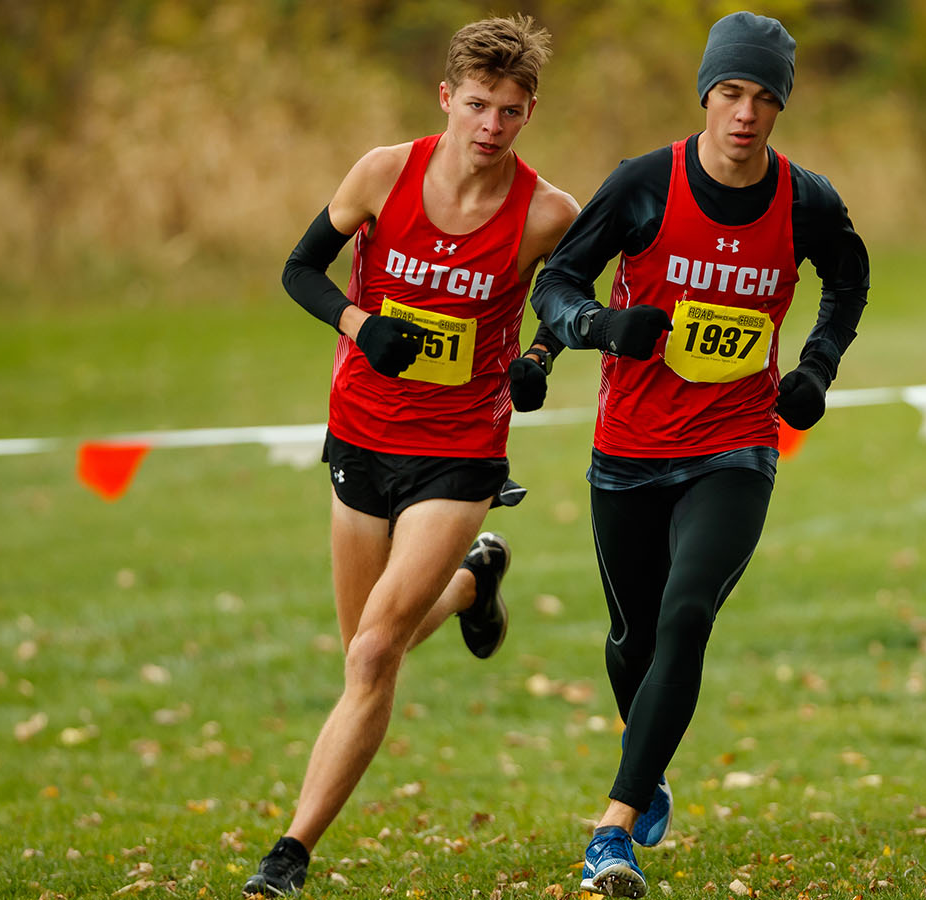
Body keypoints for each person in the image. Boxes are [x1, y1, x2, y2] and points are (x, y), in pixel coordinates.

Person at [528, 11, 870, 898]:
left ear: (781, 106)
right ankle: (652, 768)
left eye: (763, 97)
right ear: (706, 96)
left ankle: (613, 830)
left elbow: (849, 271)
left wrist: (817, 367)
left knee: (686, 615)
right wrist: (602, 326)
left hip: (736, 444)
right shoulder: (644, 185)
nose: (745, 114)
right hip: (630, 449)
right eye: (730, 93)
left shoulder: (805, 201)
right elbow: (556, 283)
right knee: (630, 640)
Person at [243, 15, 577, 898]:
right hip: (363, 429)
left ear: (529, 111)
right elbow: (299, 268)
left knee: (372, 656)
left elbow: (575, 294)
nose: (490, 127)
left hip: (461, 450)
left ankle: (290, 853)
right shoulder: (383, 172)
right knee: (363, 645)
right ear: (447, 97)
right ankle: (473, 583)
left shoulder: (547, 212)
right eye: (477, 105)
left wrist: (540, 359)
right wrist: (361, 324)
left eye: (510, 111)